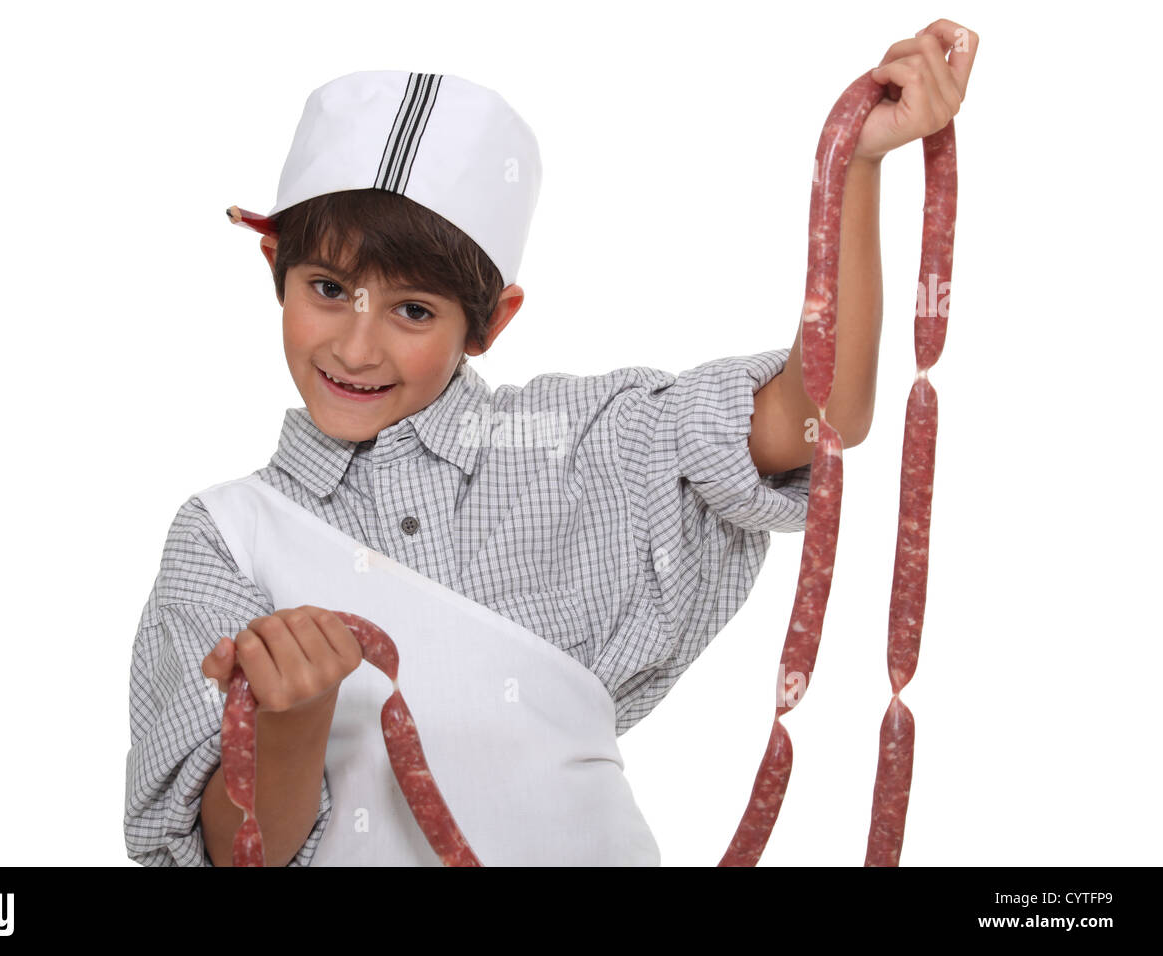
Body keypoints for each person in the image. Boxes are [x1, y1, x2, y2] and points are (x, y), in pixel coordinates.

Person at [125, 25, 977, 867]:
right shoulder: (222, 537)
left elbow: (819, 418)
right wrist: (292, 720)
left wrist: (857, 167)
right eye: (327, 288)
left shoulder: (588, 444)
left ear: (490, 323)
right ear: (274, 264)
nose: (356, 347)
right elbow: (229, 857)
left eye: (413, 310)